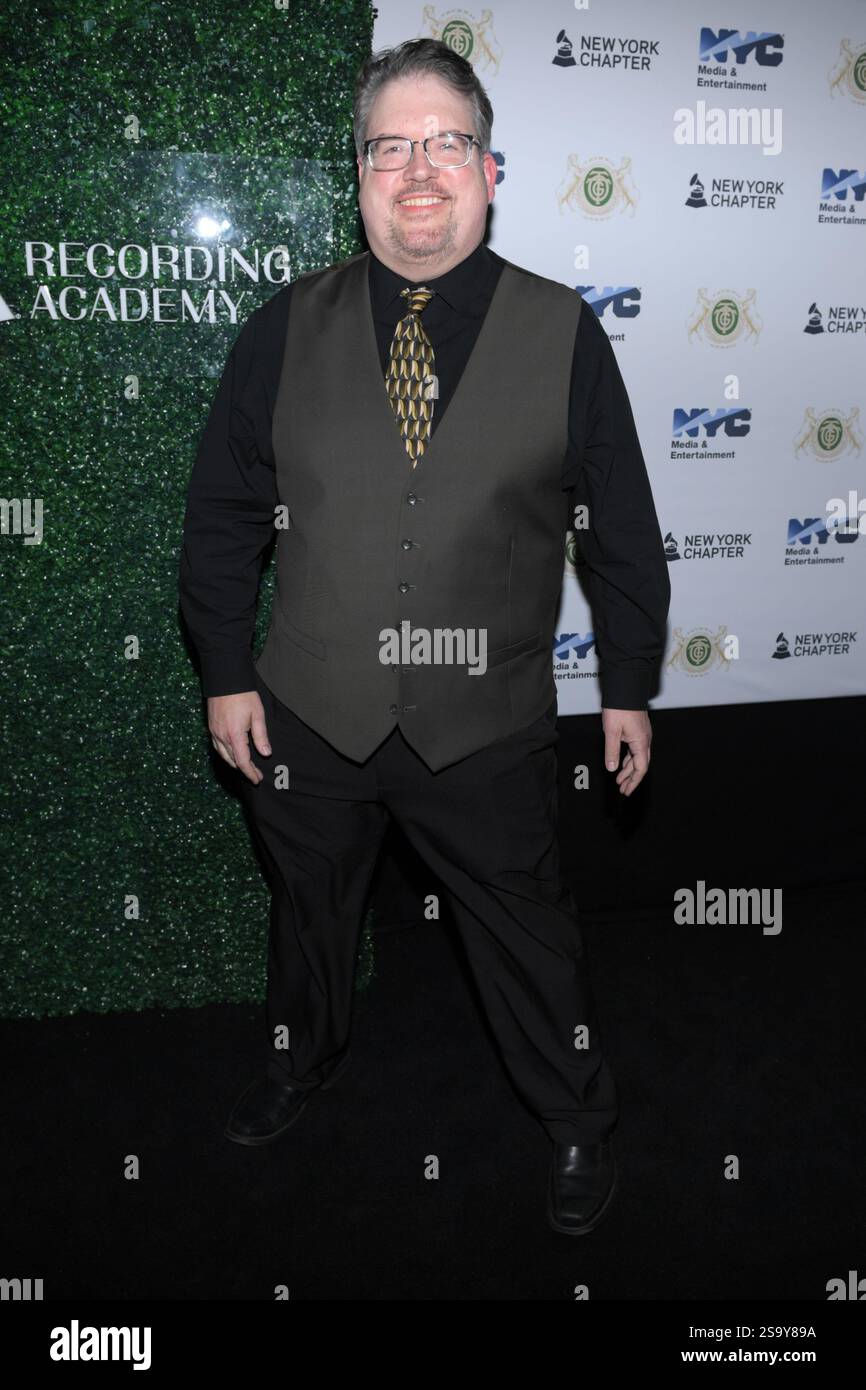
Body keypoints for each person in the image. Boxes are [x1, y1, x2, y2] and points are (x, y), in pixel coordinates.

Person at [178, 37, 670, 1236]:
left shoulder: (563, 335)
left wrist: (627, 685)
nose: (417, 171)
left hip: (482, 726)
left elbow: (620, 527)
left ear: (488, 169)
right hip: (306, 708)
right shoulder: (281, 328)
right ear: (357, 176)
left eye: (444, 143)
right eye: (388, 146)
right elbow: (225, 513)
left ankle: (573, 1123)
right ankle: (302, 1060)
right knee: (307, 917)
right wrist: (226, 673)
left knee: (528, 937)